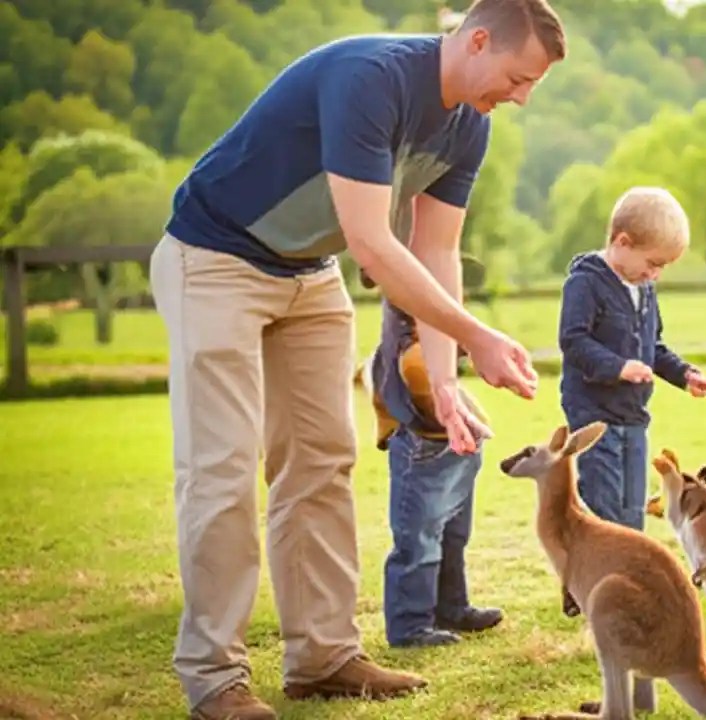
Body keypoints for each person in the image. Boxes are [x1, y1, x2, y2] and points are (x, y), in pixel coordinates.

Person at [147, 0, 566, 716]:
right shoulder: (372, 78)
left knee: (322, 460)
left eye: (533, 87)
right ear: (478, 39)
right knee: (221, 469)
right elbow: (373, 243)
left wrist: (442, 377)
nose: (521, 97)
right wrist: (476, 335)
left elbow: (436, 251)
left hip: (308, 272)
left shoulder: (470, 127)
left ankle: (323, 656)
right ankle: (215, 679)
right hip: (213, 258)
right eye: (518, 77)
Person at [557, 187, 706, 534]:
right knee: (605, 513)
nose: (655, 274)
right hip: (595, 420)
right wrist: (618, 367)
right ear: (623, 242)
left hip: (634, 418)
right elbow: (573, 341)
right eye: (653, 263)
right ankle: (596, 584)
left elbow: (652, 347)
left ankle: (629, 583)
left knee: (632, 513)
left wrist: (683, 374)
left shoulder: (643, 288)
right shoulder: (585, 283)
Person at [361, 325, 502, 648]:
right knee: (419, 541)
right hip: (426, 450)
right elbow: (423, 390)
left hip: (453, 451)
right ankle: (410, 626)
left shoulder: (432, 340)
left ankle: (451, 608)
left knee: (453, 535)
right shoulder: (410, 352)